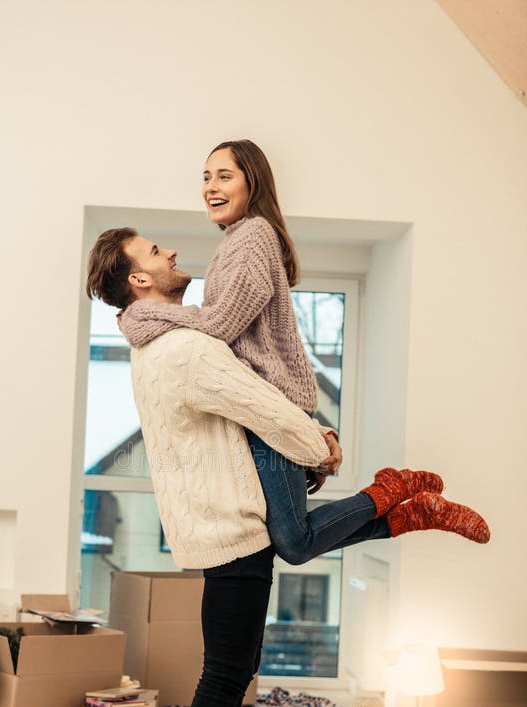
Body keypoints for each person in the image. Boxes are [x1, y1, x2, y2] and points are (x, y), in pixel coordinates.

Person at [86, 228, 489, 707]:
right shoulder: (183, 347)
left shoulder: (154, 345)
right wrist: (318, 443)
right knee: (221, 683)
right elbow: (259, 405)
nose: (168, 253)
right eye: (153, 251)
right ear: (137, 280)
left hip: (222, 524)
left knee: (235, 676)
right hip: (230, 530)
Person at [118, 139, 490, 560]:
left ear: (251, 183)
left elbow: (218, 325)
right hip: (263, 410)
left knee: (294, 543)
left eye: (224, 176)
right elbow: (221, 326)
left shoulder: (253, 236)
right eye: (205, 177)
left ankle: (394, 492)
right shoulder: (235, 244)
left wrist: (143, 317)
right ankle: (409, 514)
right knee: (291, 541)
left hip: (273, 408)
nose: (210, 187)